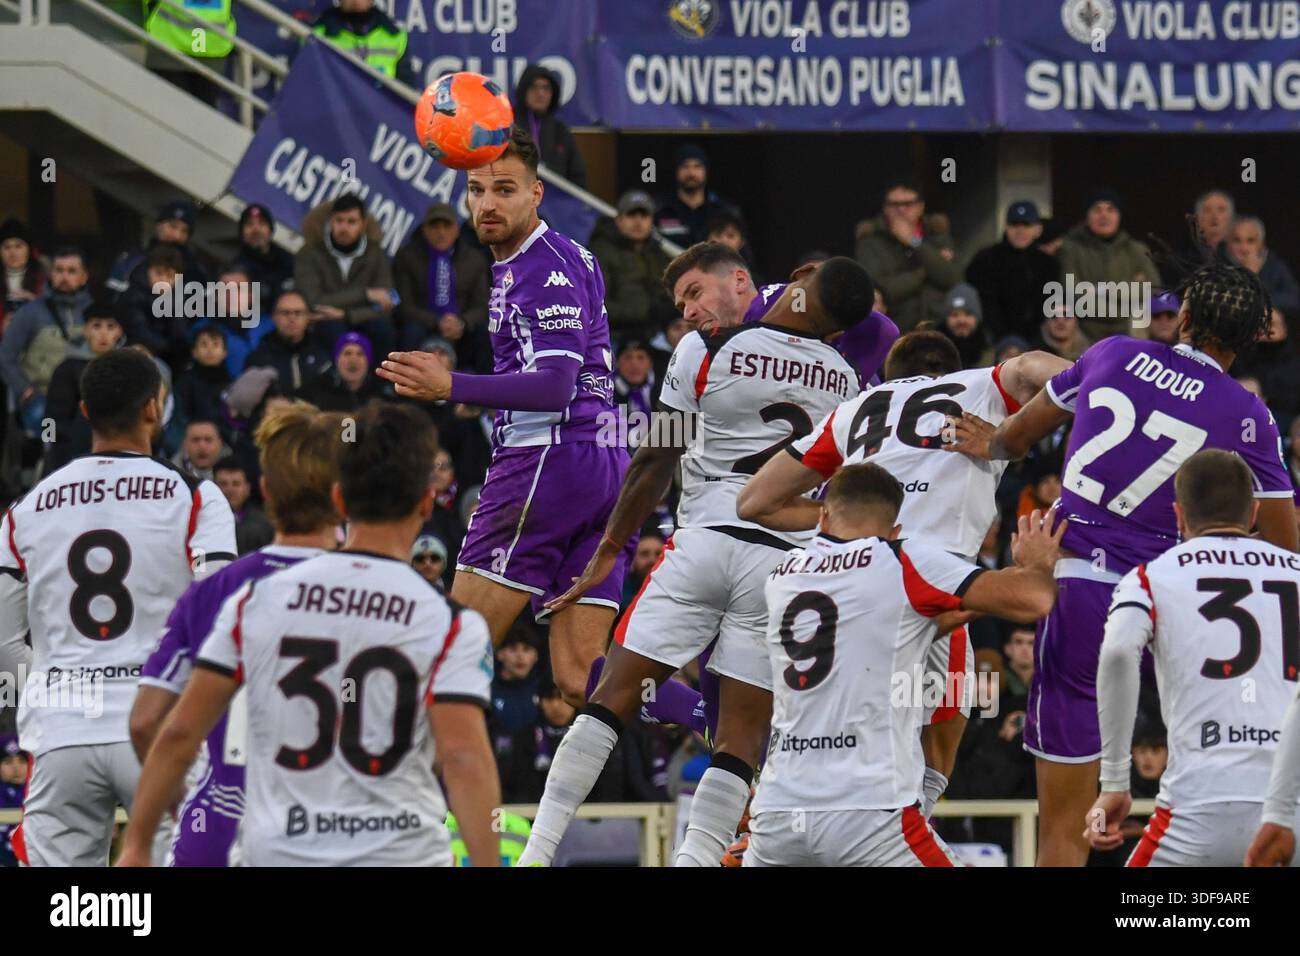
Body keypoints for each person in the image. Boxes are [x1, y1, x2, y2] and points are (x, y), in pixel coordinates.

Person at [515, 252, 874, 869]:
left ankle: (537, 854)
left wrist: (607, 551)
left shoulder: (706, 346)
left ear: (795, 284)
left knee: (610, 697)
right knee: (738, 741)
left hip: (705, 541)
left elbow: (657, 459)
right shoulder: (849, 385)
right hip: (784, 568)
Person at [946, 260, 1299, 866]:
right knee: (1220, 785)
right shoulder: (1248, 416)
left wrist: (995, 443)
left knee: (1063, 830)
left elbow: (1017, 437)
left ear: (1182, 317)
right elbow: (1282, 549)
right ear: (1246, 344)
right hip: (1184, 610)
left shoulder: (1110, 353)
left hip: (1082, 590)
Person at [118, 402, 500, 867]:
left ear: (339, 500)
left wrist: (137, 845)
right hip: (401, 855)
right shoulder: (452, 622)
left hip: (281, 851)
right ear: (426, 501)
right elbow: (463, 758)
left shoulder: (253, 601)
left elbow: (176, 734)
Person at [736, 330, 1069, 817]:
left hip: (842, 581)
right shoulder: (980, 386)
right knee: (939, 733)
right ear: (952, 371)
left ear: (890, 378)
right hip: (931, 576)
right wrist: (1113, 385)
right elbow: (1031, 364)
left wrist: (844, 516)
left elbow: (753, 502)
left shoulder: (855, 408)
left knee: (828, 728)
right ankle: (909, 821)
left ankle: (763, 824)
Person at [376, 127, 632, 710]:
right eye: (476, 190)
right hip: (603, 470)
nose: (488, 203)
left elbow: (556, 384)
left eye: (505, 189)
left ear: (537, 193)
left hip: (547, 462)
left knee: (452, 654)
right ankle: (721, 724)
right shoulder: (566, 254)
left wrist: (451, 385)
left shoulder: (543, 268)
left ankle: (426, 801)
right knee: (581, 678)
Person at [744, 463, 1061, 866]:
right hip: (868, 812)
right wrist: (1035, 565)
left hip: (778, 812)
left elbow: (881, 628)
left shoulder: (782, 575)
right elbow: (1035, 599)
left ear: (823, 516)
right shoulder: (899, 559)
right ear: (895, 529)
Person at [0, 348, 235, 866]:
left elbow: (2, 641)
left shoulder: (25, 511)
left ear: (84, 411)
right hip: (159, 724)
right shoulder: (197, 497)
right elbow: (218, 622)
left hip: (62, 727)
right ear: (154, 408)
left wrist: (47, 685)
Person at [126, 403, 338, 866]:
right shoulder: (389, 590)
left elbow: (145, 724)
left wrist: (158, 821)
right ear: (341, 497)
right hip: (344, 828)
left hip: (222, 819)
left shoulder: (214, 592)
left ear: (264, 491)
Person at [1089, 450, 1300, 866]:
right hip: (1290, 801)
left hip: (1199, 801)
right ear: (1254, 511)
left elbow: (1116, 652)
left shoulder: (1151, 576)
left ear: (1179, 515)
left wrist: (1114, 779)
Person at [0, 246, 91, 436]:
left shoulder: (95, 313)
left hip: (85, 399)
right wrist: (26, 391)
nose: (64, 277)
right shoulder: (30, 312)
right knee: (53, 430)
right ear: (51, 275)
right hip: (42, 397)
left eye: (72, 271)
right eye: (59, 270)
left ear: (84, 276)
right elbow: (5, 357)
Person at [293, 193, 396, 361]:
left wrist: (347, 314)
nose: (344, 227)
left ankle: (381, 384)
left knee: (382, 328)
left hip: (364, 319)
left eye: (351, 222)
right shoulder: (309, 253)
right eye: (339, 220)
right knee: (330, 328)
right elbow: (313, 301)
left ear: (363, 225)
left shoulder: (376, 254)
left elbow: (389, 302)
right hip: (326, 322)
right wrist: (365, 294)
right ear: (330, 222)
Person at [854, 180, 961, 331]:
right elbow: (881, 290)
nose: (901, 210)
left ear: (920, 206)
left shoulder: (937, 235)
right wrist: (926, 270)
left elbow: (952, 278)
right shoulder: (872, 242)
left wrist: (914, 242)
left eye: (908, 204)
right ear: (885, 208)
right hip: (894, 328)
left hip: (939, 326)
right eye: (895, 204)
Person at [1056, 188, 1162, 341]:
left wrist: (1104, 290)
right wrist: (1129, 291)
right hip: (1085, 334)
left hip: (1130, 332)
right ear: (1087, 216)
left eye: (1110, 210)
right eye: (1097, 210)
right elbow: (1074, 294)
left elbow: (1154, 289)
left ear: (1119, 215)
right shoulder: (1071, 249)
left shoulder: (1136, 250)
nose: (1104, 215)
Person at [392, 203, 491, 363]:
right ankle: (402, 384)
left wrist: (463, 322)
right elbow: (403, 305)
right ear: (425, 229)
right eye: (435, 226)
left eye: (447, 226)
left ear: (457, 230)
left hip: (461, 326)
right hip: (424, 324)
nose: (441, 232)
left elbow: (482, 305)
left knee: (484, 333)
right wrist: (436, 322)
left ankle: (485, 386)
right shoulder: (407, 257)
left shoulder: (474, 259)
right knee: (411, 331)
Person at [43, 296, 123, 473]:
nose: (103, 333)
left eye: (110, 327)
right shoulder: (67, 368)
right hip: (71, 451)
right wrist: (49, 446)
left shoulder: (127, 367)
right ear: (86, 330)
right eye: (96, 326)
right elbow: (50, 419)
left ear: (119, 332)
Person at [965, 201, 1063, 343]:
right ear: (1006, 227)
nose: (1020, 231)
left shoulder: (1049, 264)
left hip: (1039, 341)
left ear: (1037, 229)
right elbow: (984, 303)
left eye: (1026, 225)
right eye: (1015, 225)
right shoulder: (986, 259)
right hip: (996, 341)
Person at [589, 190, 677, 344]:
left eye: (643, 215)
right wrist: (646, 311)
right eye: (631, 215)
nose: (638, 221)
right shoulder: (600, 252)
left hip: (657, 334)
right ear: (619, 220)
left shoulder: (659, 252)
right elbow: (597, 306)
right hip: (614, 336)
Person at [106, 200, 209, 308]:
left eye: (184, 231)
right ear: (159, 225)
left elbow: (202, 312)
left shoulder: (196, 271)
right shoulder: (130, 260)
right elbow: (111, 302)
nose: (177, 235)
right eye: (173, 226)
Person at [244, 290, 332, 396]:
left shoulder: (323, 355)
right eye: (285, 313)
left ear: (308, 317)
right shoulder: (258, 360)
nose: (292, 318)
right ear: (274, 317)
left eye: (298, 313)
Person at [653, 143, 741, 248]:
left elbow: (743, 255)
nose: (691, 173)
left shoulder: (724, 210)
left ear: (706, 171)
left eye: (697, 166)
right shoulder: (659, 208)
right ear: (676, 171)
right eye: (685, 166)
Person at [513, 64, 586, 187]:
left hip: (555, 202)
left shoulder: (561, 131)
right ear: (524, 90)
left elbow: (577, 175)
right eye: (534, 87)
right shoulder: (509, 126)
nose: (540, 93)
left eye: (546, 88)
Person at [310, 0, 416, 85]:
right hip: (336, 110)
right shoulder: (318, 37)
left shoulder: (395, 36)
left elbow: (407, 92)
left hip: (382, 110)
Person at [1225, 216, 1300, 325]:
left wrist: (1260, 304)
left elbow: (1294, 299)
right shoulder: (1218, 266)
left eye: (1250, 241)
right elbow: (1228, 304)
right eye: (1237, 241)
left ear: (1261, 245)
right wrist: (1250, 275)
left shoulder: (1275, 265)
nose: (1243, 248)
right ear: (1228, 244)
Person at [299, 330, 388, 412]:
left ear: (368, 362)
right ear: (336, 360)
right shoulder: (317, 392)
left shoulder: (380, 396)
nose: (353, 360)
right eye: (347, 353)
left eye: (360, 354)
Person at [174, 326, 232, 433]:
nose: (210, 350)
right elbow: (180, 418)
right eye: (204, 345)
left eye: (215, 345)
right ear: (194, 352)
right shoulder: (185, 383)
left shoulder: (231, 384)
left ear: (225, 353)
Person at [235, 203, 294, 303]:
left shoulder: (289, 262)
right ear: (242, 233)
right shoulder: (237, 268)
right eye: (249, 224)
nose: (256, 229)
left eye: (262, 223)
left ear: (270, 230)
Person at [214, 457, 274, 555]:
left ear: (247, 488)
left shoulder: (265, 524)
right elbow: (198, 554)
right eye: (223, 484)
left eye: (236, 484)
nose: (230, 490)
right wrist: (200, 570)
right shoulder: (202, 521)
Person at [1, 219, 44, 333]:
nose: (12, 253)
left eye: (18, 246)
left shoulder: (42, 280)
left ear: (29, 250)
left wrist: (35, 302)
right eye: (7, 247)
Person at [940, 283, 991, 369]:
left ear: (977, 318)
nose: (961, 320)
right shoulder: (933, 353)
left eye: (968, 314)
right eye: (954, 315)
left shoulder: (990, 352)